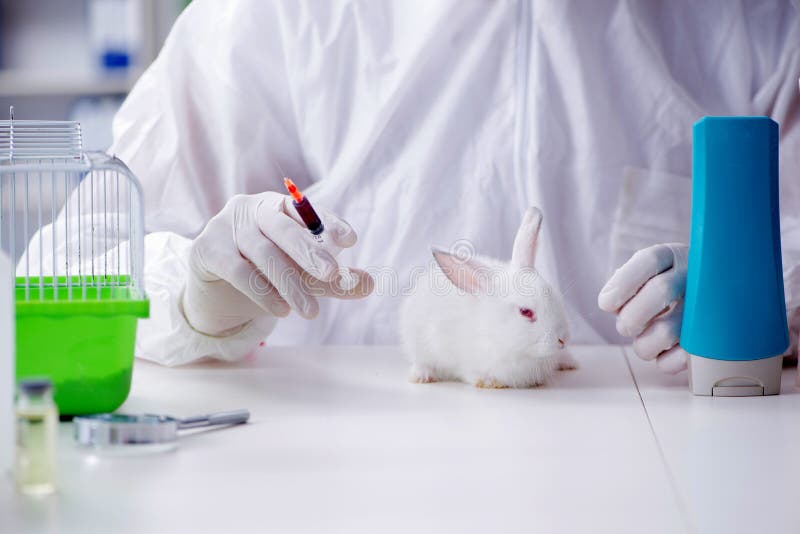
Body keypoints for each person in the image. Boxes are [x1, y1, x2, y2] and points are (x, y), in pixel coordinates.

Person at [96, 0, 800, 367]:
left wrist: (782, 303)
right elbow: (78, 258)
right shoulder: (274, 19)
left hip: (668, 476)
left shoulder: (758, 27)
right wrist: (192, 301)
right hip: (345, 479)